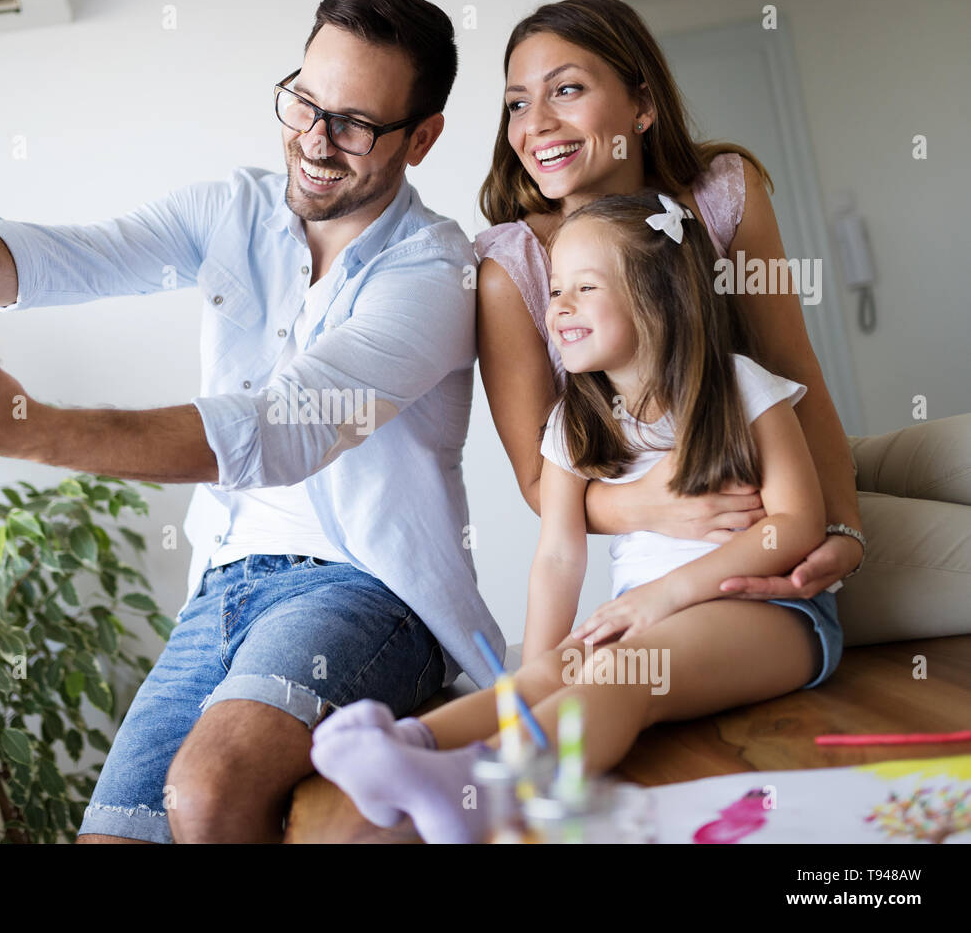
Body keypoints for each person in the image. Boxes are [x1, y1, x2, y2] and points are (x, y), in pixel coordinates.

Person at [0, 0, 503, 844]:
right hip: (221, 585)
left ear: (421, 137)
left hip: (365, 590)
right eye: (304, 104)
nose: (315, 142)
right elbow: (65, 259)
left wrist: (30, 429)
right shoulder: (231, 210)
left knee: (205, 792)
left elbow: (282, 428)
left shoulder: (434, 272)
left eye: (354, 123)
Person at [310, 190, 843, 843]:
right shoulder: (573, 423)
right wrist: (542, 662)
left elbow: (795, 525)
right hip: (642, 620)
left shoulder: (741, 387)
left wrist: (663, 595)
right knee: (552, 673)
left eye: (583, 288)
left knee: (624, 676)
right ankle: (403, 746)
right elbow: (560, 556)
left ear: (660, 298)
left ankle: (491, 790)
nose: (557, 307)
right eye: (555, 289)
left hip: (774, 618)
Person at [470, 0, 971, 638]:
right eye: (516, 104)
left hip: (790, 454)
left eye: (565, 90)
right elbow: (542, 481)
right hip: (733, 525)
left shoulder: (721, 194)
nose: (534, 124)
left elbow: (795, 370)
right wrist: (651, 503)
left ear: (642, 106)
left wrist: (843, 525)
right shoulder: (511, 269)